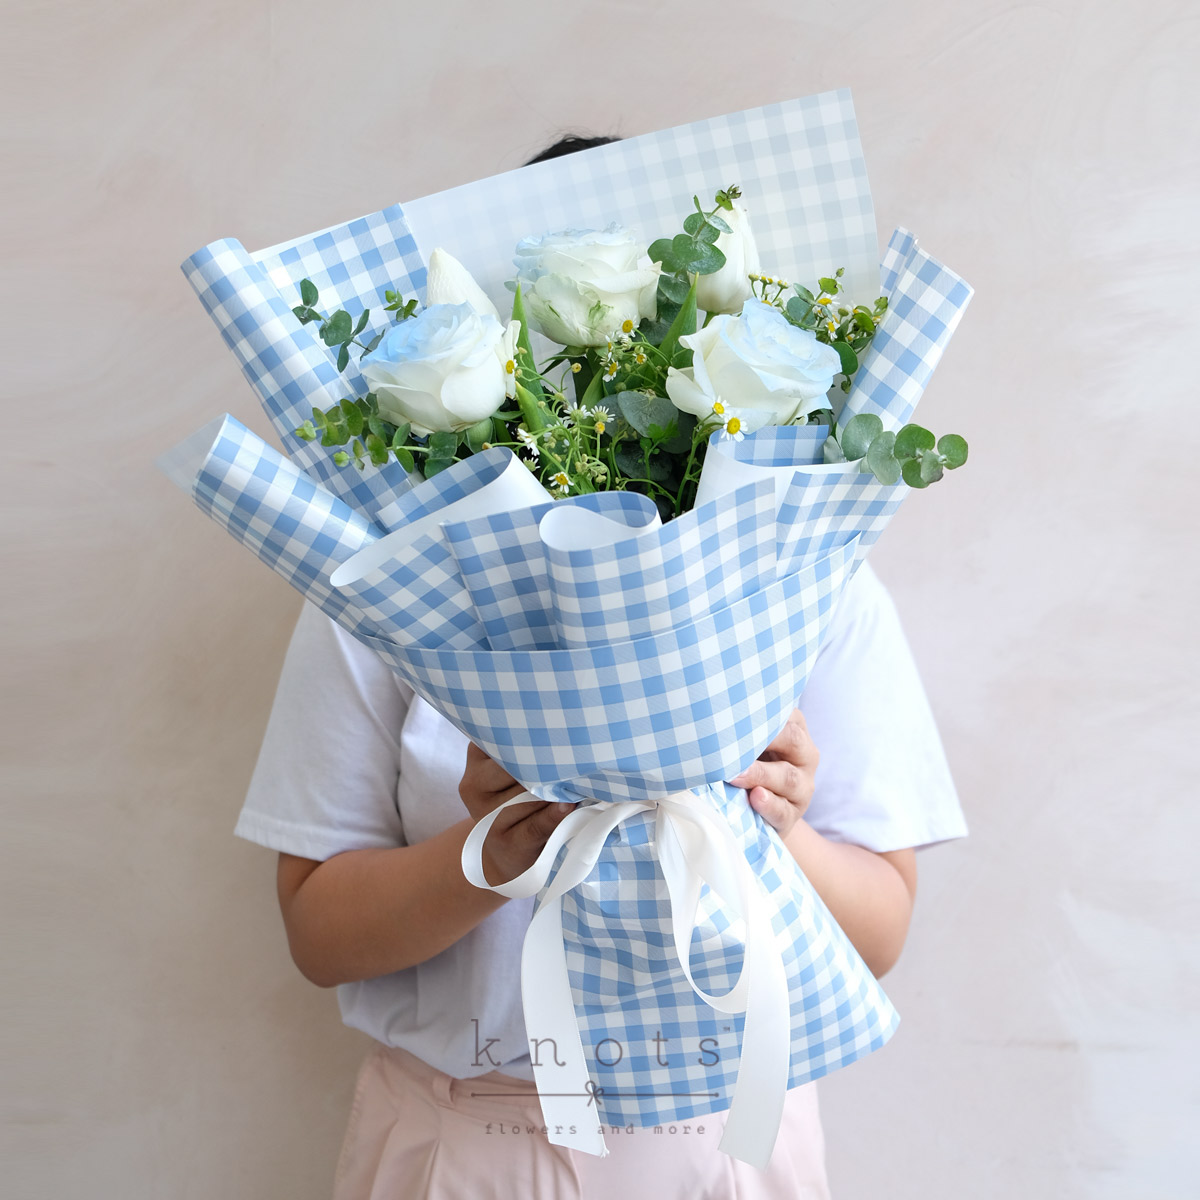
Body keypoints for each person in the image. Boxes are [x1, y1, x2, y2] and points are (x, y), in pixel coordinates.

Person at [233, 139, 968, 1199]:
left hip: (731, 1140)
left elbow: (881, 933)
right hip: (463, 1145)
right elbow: (318, 933)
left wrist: (780, 818)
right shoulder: (386, 591)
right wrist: (491, 848)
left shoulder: (816, 581)